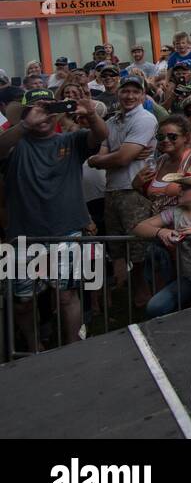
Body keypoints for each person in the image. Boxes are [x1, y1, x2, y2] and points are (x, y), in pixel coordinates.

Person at [0, 91, 107, 350]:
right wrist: (26, 124)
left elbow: (100, 136)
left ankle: (72, 346)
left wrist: (91, 114)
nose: (44, 115)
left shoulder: (71, 140)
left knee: (66, 295)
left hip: (66, 232)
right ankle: (34, 345)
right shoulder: (16, 144)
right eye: (38, 109)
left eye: (50, 109)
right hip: (21, 237)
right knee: (22, 300)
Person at [89, 74, 159, 310]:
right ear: (118, 93)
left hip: (134, 190)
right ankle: (125, 289)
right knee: (117, 246)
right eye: (125, 91)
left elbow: (121, 157)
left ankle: (143, 290)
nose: (129, 96)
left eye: (135, 92)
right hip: (112, 190)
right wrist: (111, 157)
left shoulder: (145, 119)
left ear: (142, 95)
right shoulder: (111, 121)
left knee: (139, 247)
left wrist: (105, 159)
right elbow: (106, 155)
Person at [132, 166, 191, 317]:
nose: (179, 191)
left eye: (185, 188)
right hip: (190, 279)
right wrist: (161, 231)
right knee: (154, 308)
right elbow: (138, 227)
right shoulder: (177, 212)